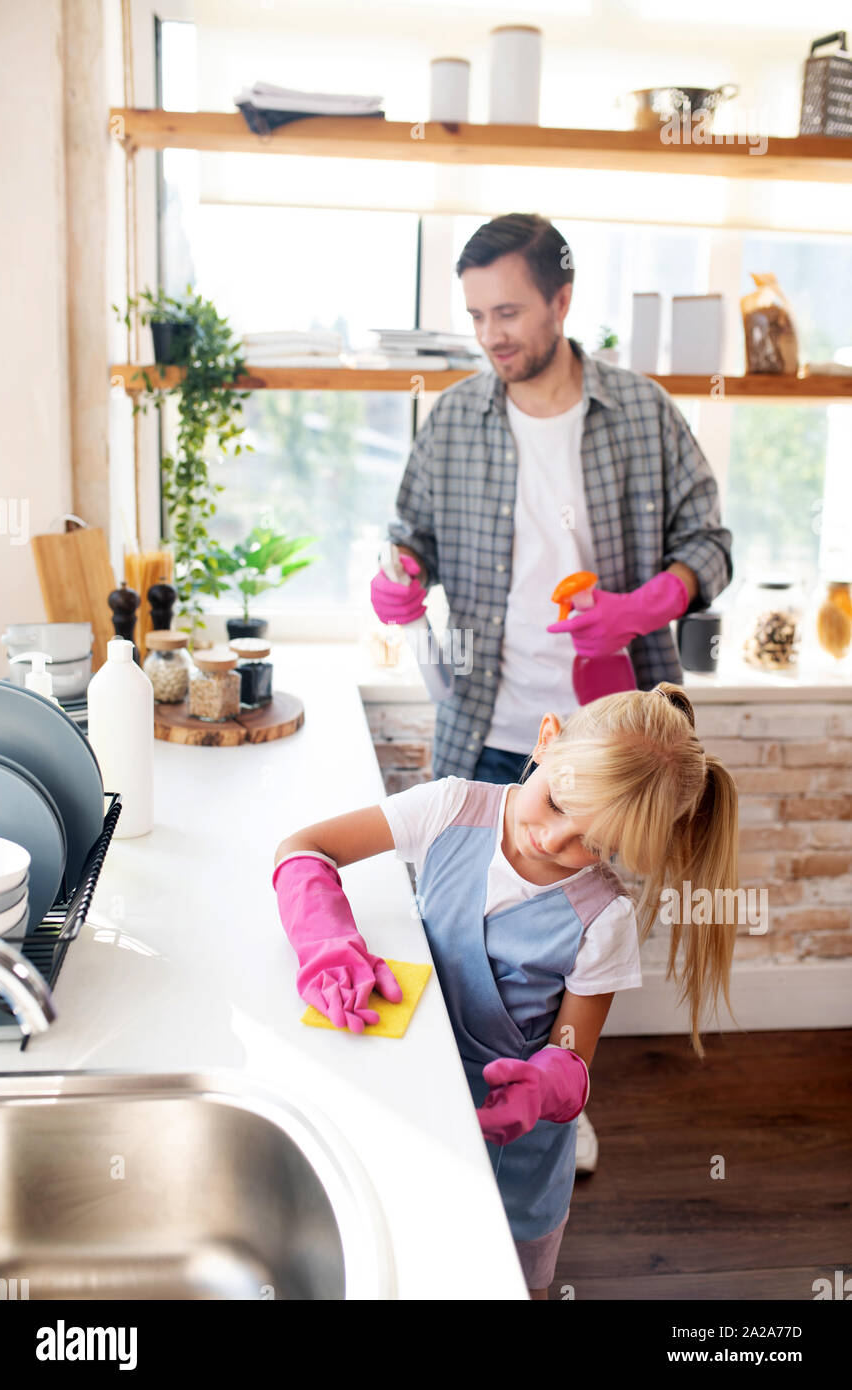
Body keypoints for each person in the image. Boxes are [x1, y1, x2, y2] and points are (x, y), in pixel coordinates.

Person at [369, 212, 734, 1173]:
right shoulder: (455, 416)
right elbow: (409, 533)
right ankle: (452, 1085)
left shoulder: (642, 411)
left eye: (510, 311)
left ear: (561, 302)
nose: (492, 334)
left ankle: (562, 1082)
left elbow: (712, 545)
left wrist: (653, 600)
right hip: (488, 716)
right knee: (463, 915)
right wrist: (399, 573)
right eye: (477, 314)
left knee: (578, 918)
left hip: (604, 731)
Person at [273, 682, 740, 1299]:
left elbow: (573, 1055)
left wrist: (544, 1085)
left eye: (595, 845)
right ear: (547, 741)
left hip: (515, 1152)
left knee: (509, 1284)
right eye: (555, 804)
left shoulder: (604, 919)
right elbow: (303, 850)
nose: (554, 842)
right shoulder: (449, 809)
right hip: (413, 1096)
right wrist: (328, 942)